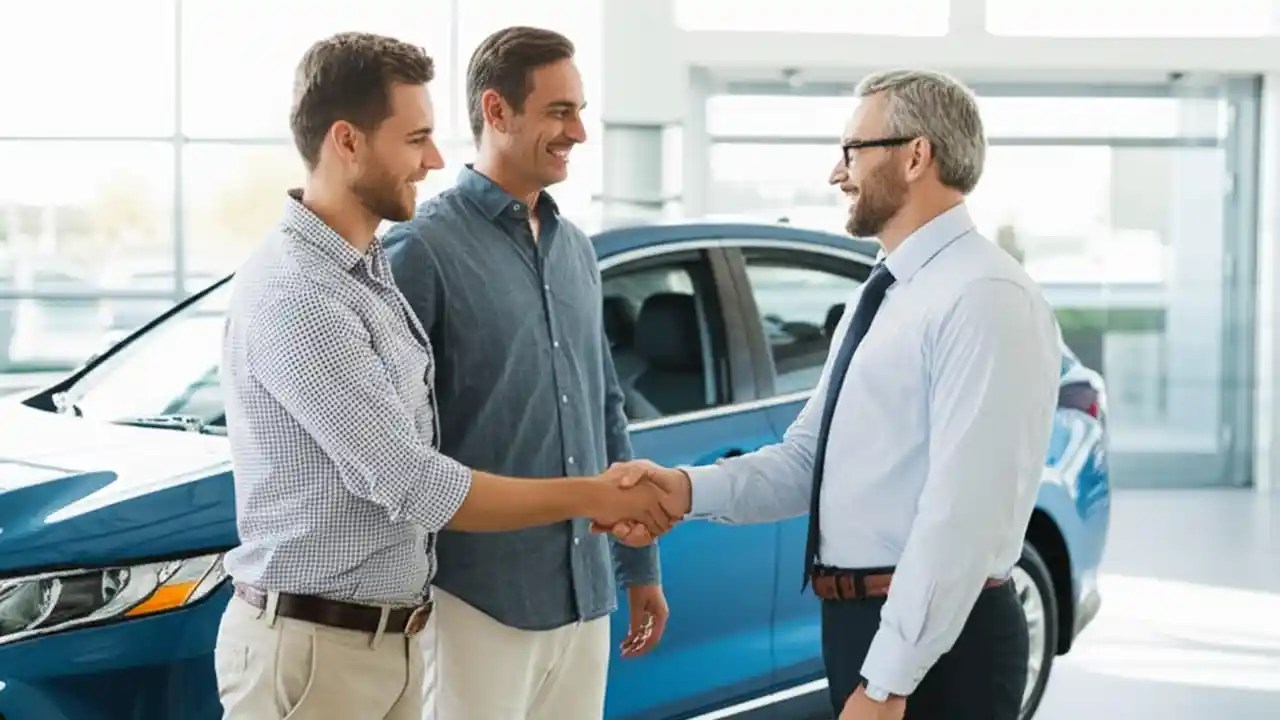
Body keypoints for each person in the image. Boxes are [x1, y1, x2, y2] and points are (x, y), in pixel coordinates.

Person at [215, 31, 671, 720]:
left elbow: (600, 403)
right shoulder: (319, 288)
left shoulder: (367, 275)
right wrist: (592, 495)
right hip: (363, 632)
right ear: (347, 141)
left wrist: (632, 555)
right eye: (417, 138)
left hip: (402, 633)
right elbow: (411, 479)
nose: (433, 159)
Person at [609, 70, 1062, 720]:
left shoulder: (985, 297)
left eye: (852, 150)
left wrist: (887, 682)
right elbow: (806, 463)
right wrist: (682, 489)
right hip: (858, 624)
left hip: (941, 649)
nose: (836, 173)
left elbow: (963, 517)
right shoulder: (883, 293)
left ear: (914, 156)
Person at [381, 25, 667, 720]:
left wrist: (641, 567)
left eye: (581, 112)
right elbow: (393, 450)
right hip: (476, 600)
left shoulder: (576, 251)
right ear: (498, 110)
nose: (579, 134)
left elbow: (605, 408)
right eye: (560, 112)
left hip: (583, 593)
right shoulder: (420, 250)